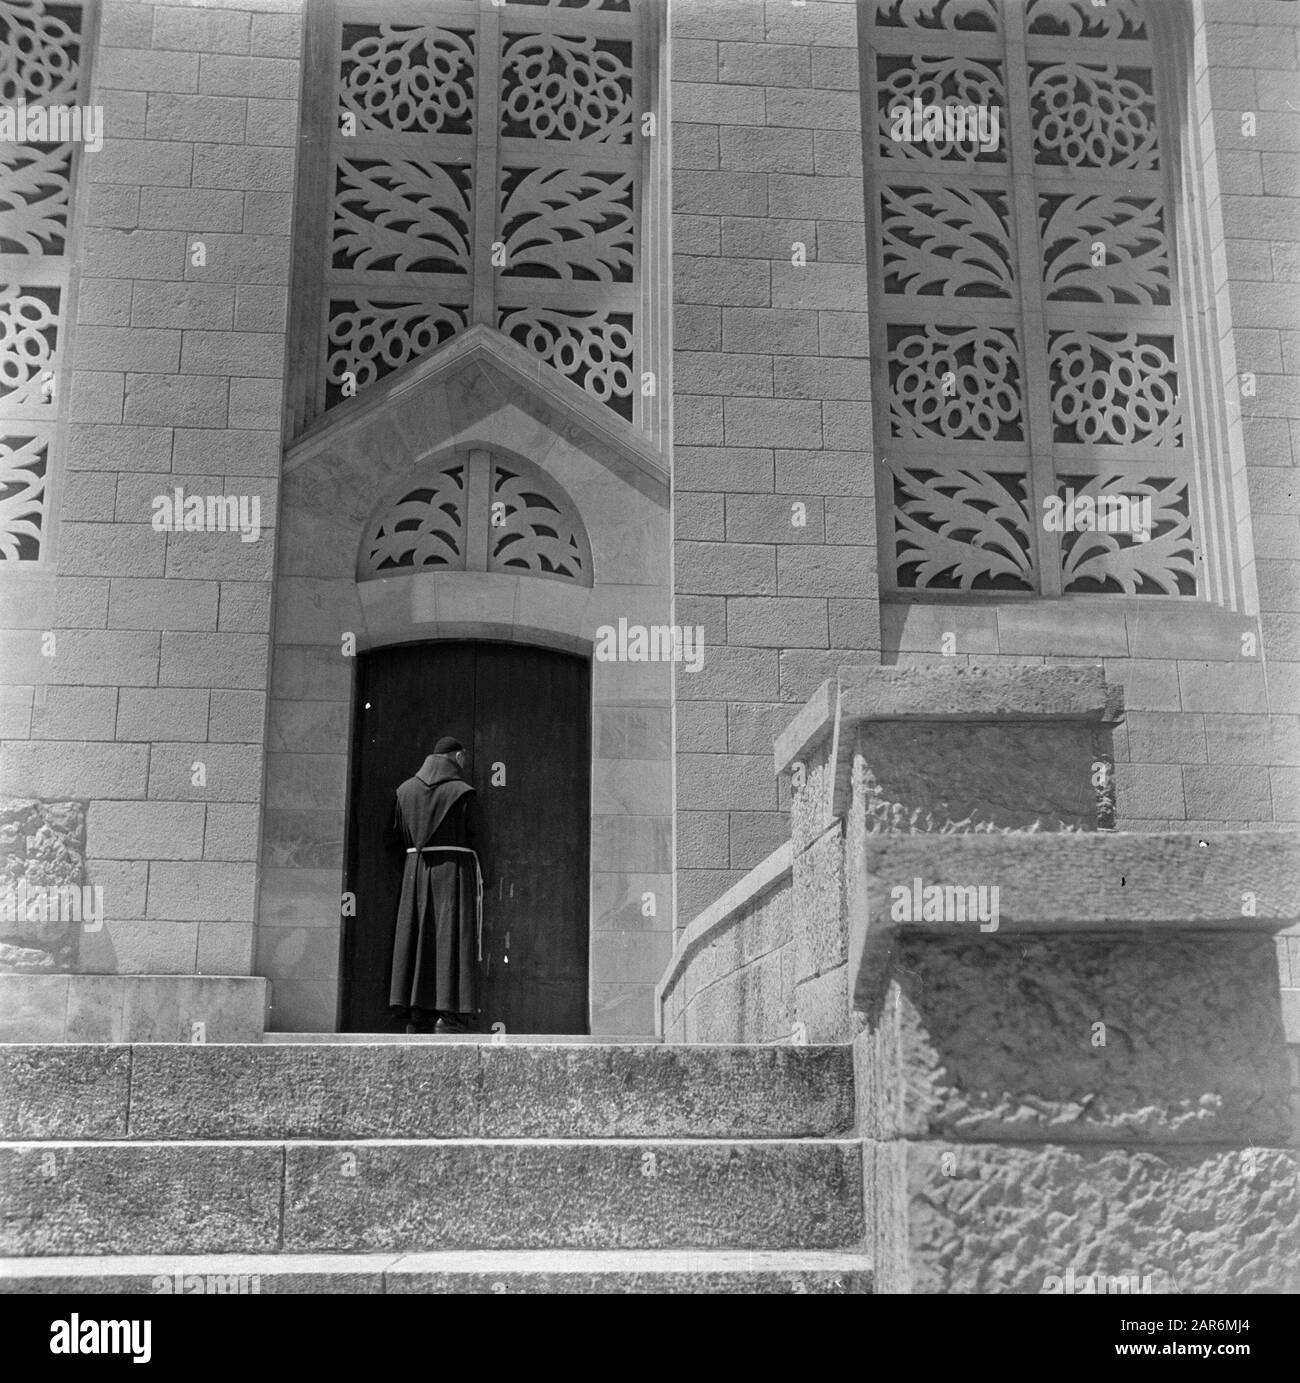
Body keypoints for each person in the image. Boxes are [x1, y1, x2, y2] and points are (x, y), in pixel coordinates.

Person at [387, 736, 491, 1034]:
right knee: (451, 940)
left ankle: (416, 1012)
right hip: (454, 874)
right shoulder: (463, 793)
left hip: (415, 872)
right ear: (457, 758)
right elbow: (480, 837)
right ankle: (450, 1016)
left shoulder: (403, 791)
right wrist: (489, 876)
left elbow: (390, 839)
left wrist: (410, 870)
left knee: (417, 939)